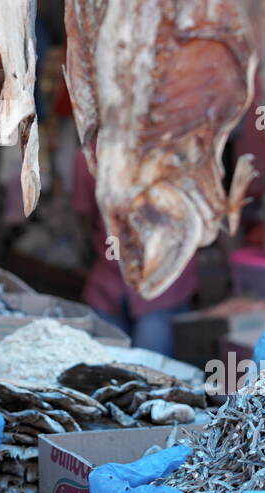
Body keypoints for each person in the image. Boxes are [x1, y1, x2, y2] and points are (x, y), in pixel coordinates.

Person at [70, 149, 196, 353]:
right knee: (106, 367)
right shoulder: (89, 155)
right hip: (109, 283)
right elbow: (85, 215)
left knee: (153, 372)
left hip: (161, 287)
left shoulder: (176, 148)